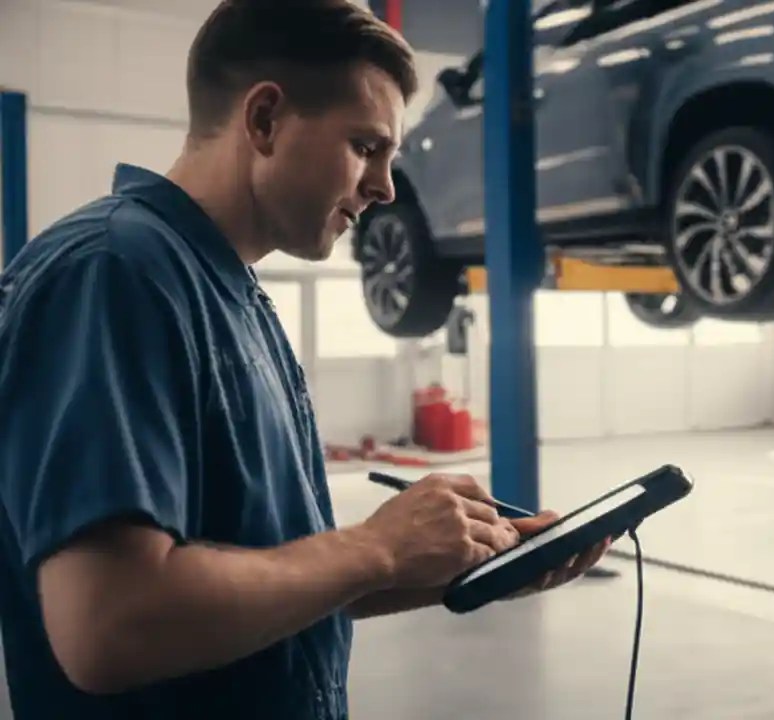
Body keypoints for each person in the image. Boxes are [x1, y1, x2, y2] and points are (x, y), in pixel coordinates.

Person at [0, 1, 610, 718]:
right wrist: (375, 546)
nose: (384, 187)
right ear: (263, 120)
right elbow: (110, 624)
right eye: (365, 146)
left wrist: (474, 567)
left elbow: (267, 578)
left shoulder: (227, 291)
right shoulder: (112, 274)